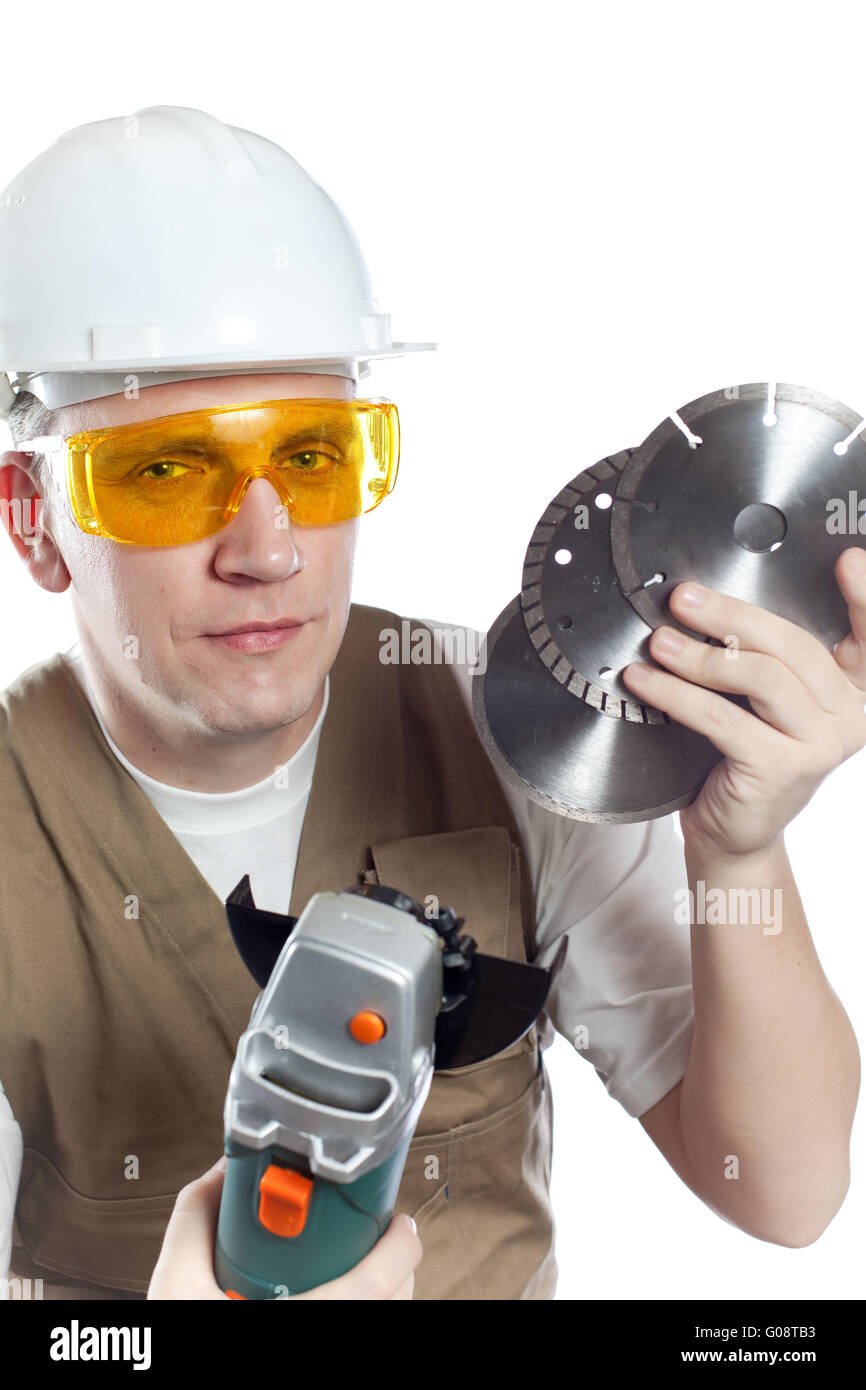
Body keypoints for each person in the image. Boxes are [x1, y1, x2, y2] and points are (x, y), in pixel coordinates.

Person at [0, 106, 862, 1303]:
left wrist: (740, 851)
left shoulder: (514, 724)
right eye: (164, 471)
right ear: (34, 517)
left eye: (312, 458)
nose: (269, 548)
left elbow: (782, 1188)